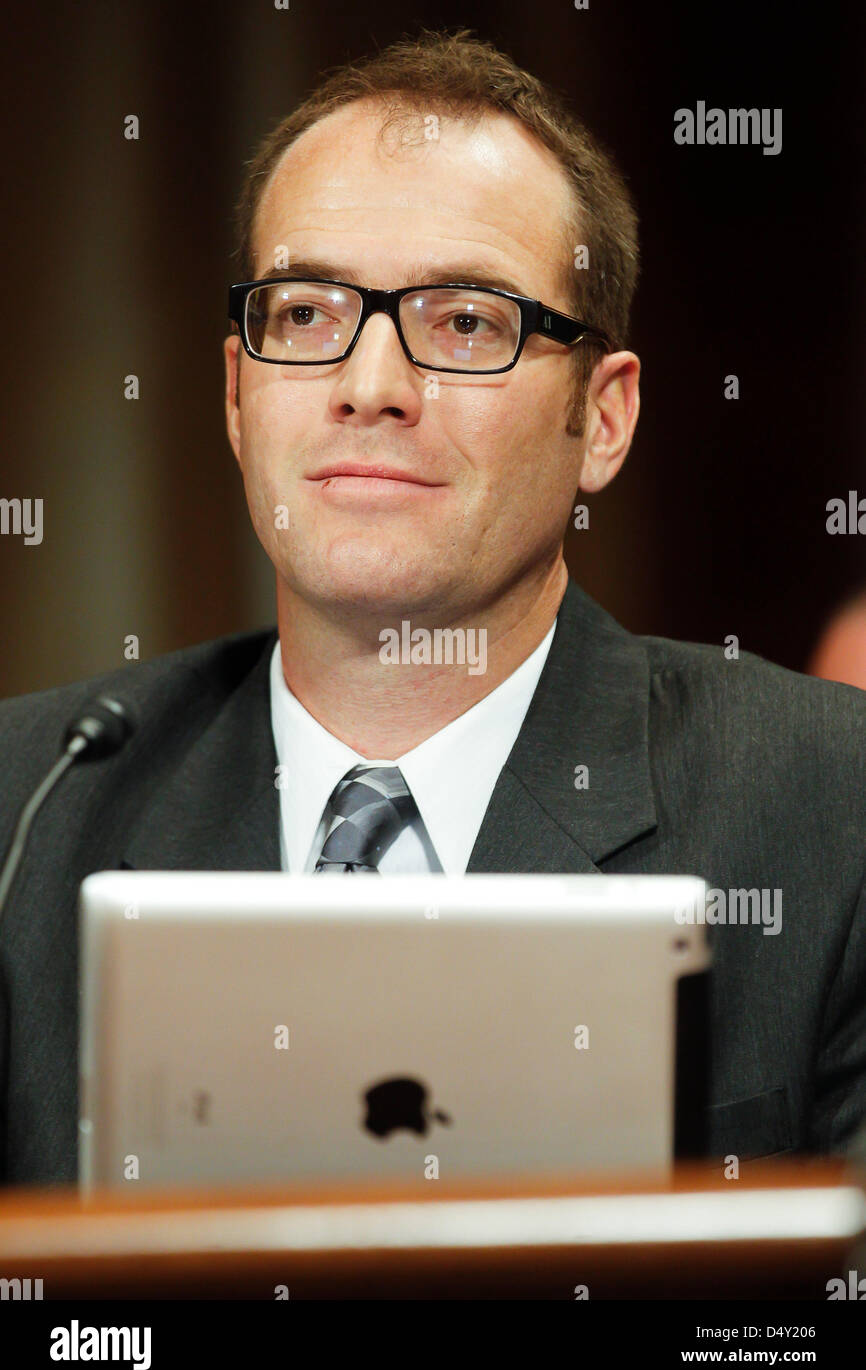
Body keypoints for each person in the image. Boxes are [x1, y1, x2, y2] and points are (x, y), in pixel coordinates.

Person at [2, 28, 866, 1186]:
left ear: (601, 420)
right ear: (233, 394)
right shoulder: (29, 807)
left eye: (464, 322)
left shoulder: (829, 809)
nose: (368, 388)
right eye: (305, 314)